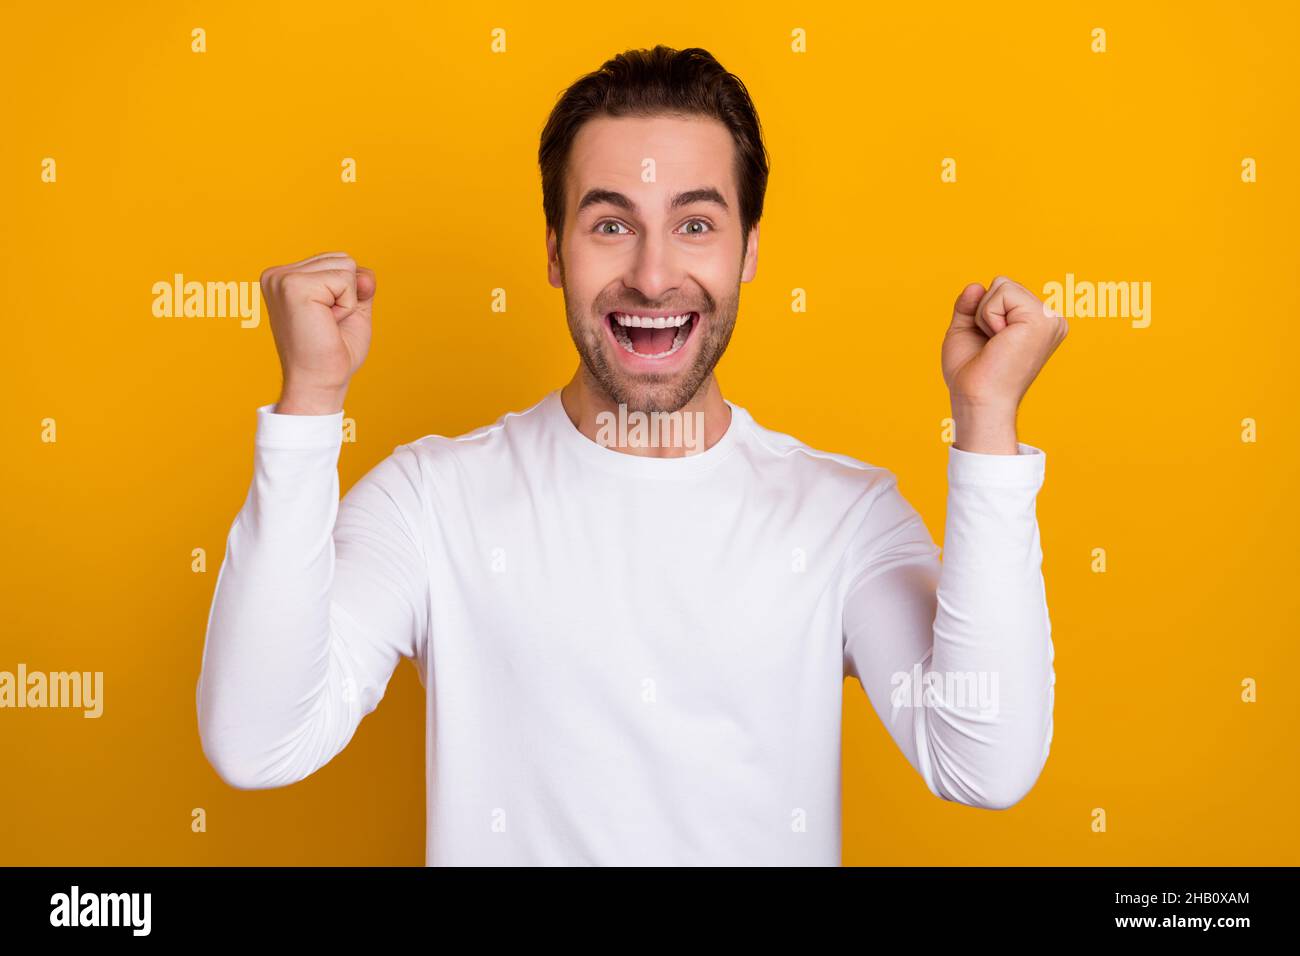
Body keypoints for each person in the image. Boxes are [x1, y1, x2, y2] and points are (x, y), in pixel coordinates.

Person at [196, 44, 1067, 866]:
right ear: (552, 251)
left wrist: (987, 422)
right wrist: (310, 404)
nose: (653, 277)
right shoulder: (430, 502)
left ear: (749, 249)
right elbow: (258, 740)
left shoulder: (845, 518)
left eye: (695, 224)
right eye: (611, 224)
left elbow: (983, 764)